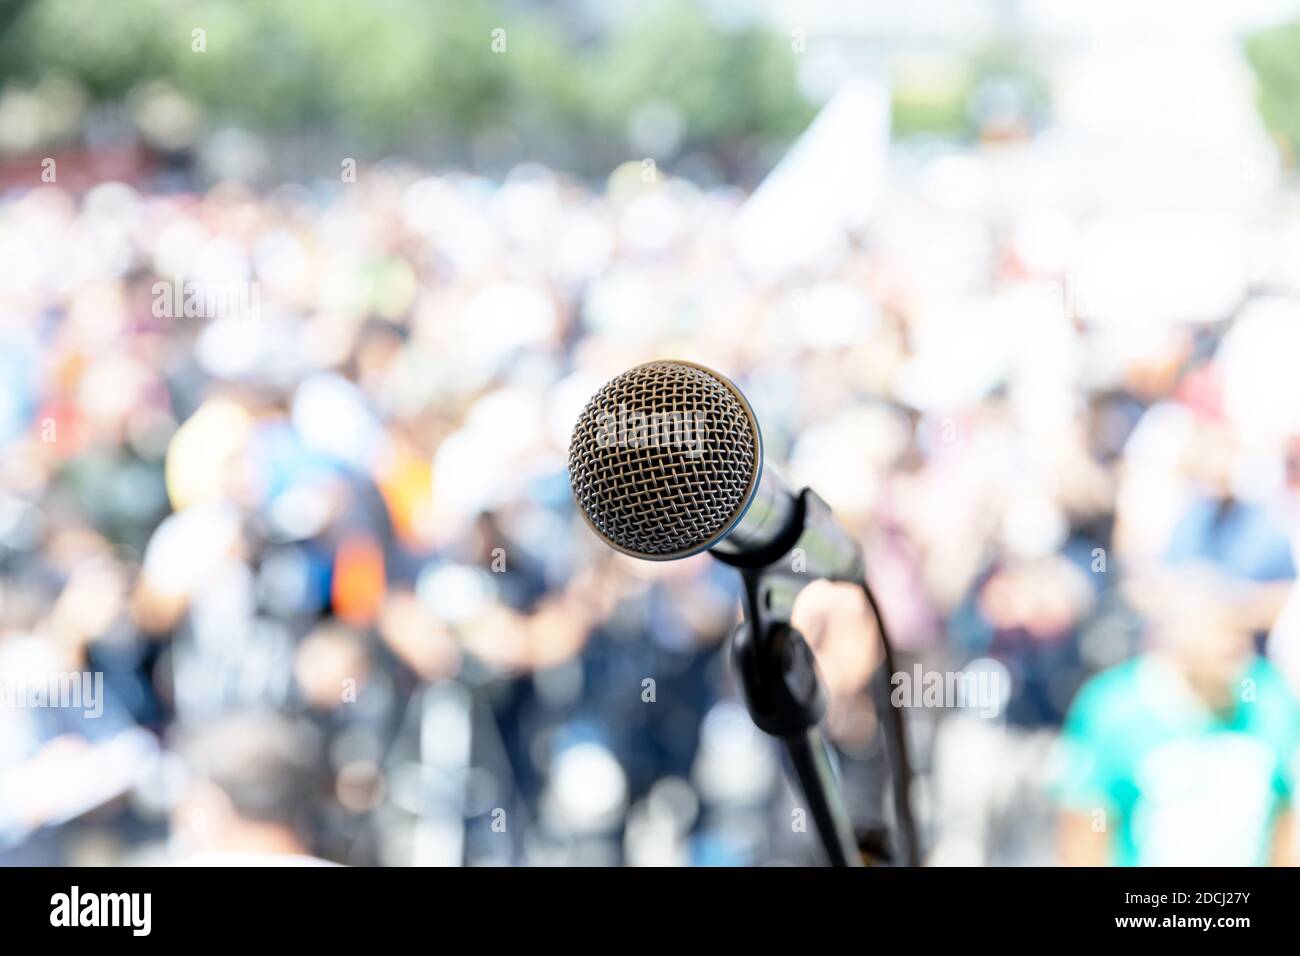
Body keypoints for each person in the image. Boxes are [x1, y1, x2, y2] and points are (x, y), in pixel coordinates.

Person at [1056, 566, 1300, 866]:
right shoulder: (1115, 708)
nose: (1231, 648)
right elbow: (1085, 824)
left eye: (1238, 633)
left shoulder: (1270, 701)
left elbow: (1287, 814)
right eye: (1217, 633)